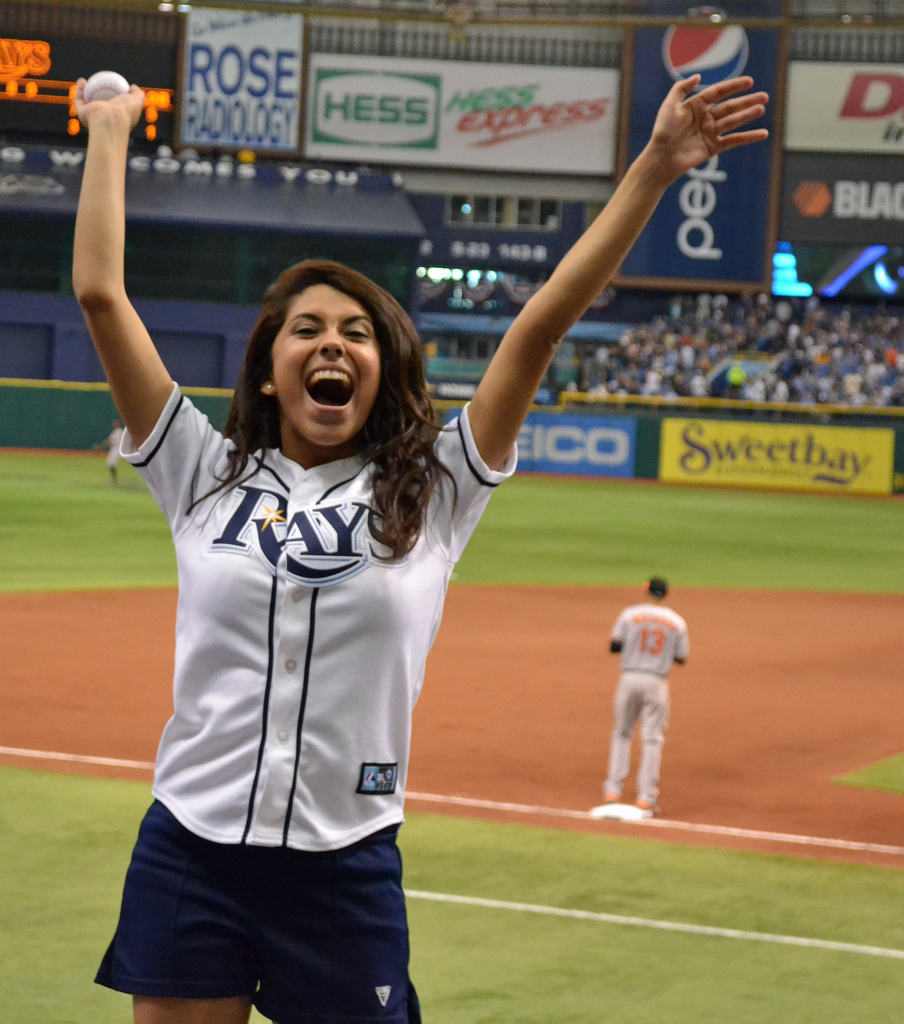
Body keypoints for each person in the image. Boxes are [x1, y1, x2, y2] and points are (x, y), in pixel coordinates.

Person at [71, 69, 765, 1024]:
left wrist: (651, 168)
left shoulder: (436, 487)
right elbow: (101, 295)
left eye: (356, 332)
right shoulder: (201, 470)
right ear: (270, 370)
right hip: (192, 848)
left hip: (344, 863)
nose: (332, 344)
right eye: (305, 329)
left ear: (381, 365)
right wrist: (111, 128)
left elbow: (542, 321)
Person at [602, 577, 690, 817]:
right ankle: (645, 798)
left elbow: (613, 646)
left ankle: (612, 791)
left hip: (629, 680)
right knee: (652, 740)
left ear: (647, 591)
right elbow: (682, 658)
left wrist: (633, 647)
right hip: (656, 683)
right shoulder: (677, 622)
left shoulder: (629, 615)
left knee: (621, 733)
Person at [98, 419, 124, 484]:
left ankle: (114, 480)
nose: (114, 424)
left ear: (119, 425)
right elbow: (110, 440)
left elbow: (110, 441)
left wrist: (101, 446)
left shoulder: (119, 432)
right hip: (114, 449)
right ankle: (114, 479)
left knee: (111, 464)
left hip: (117, 449)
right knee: (110, 463)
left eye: (116, 423)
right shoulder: (116, 431)